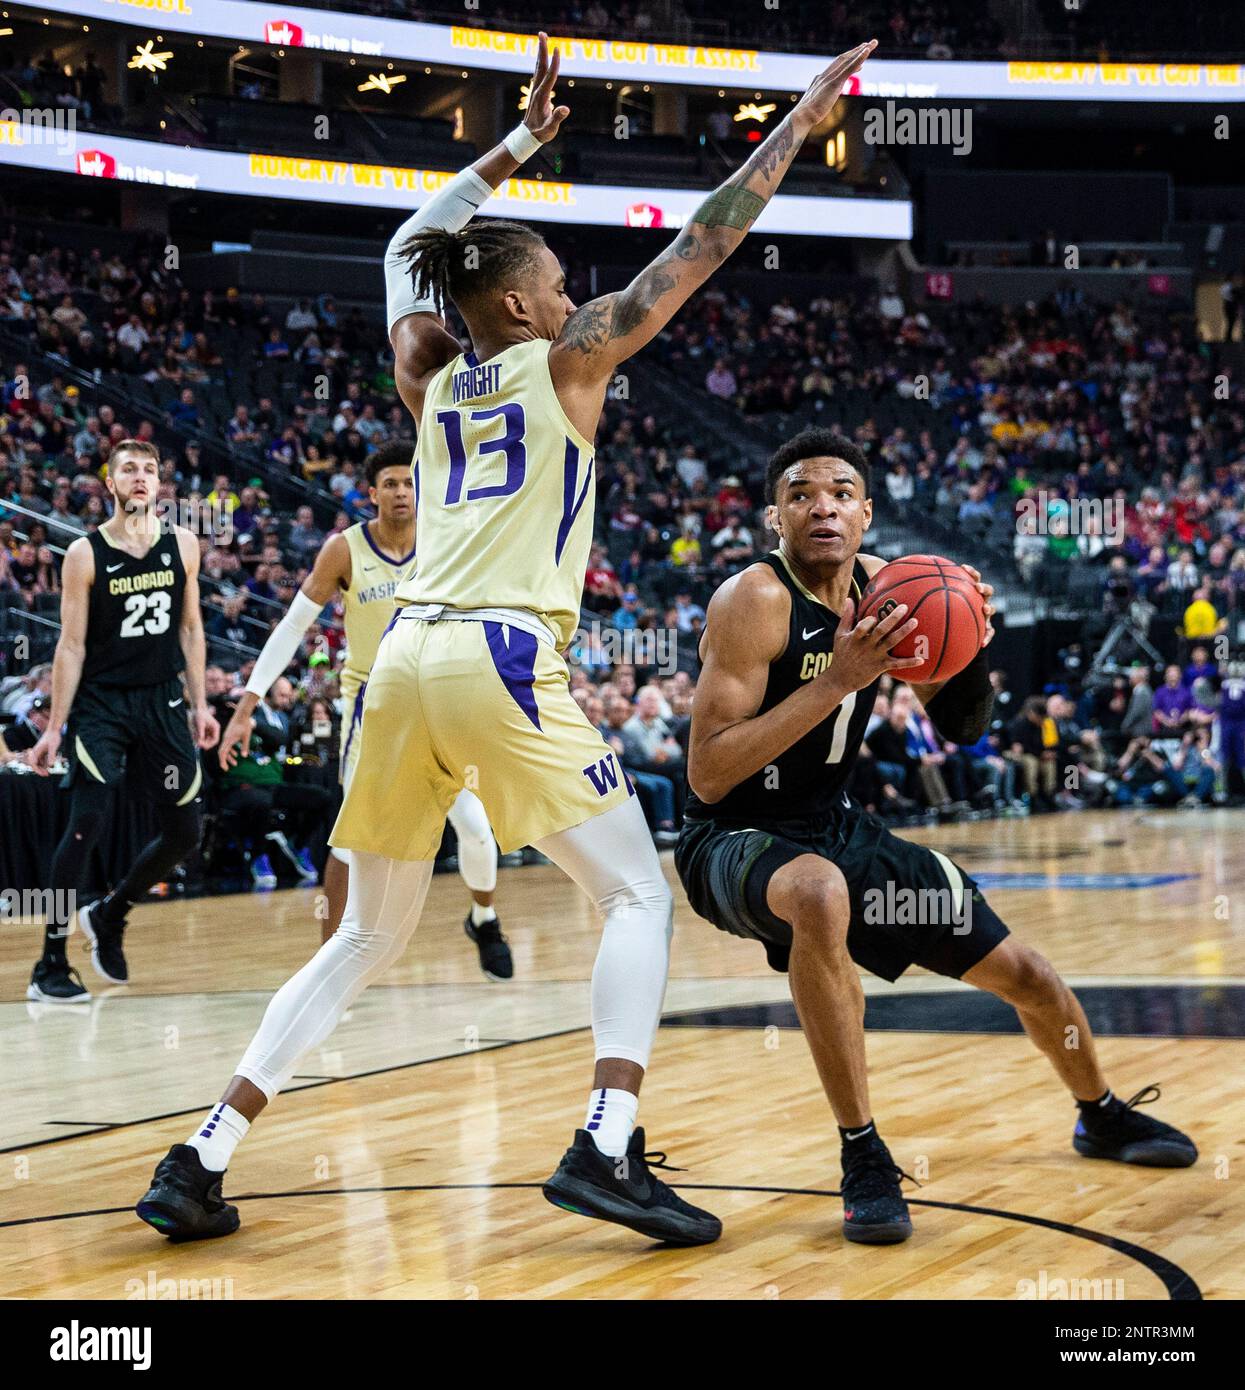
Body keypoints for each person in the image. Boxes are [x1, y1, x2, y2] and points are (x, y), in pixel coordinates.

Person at [135, 33, 883, 1248]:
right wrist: (798, 122)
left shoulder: (429, 373)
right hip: (499, 653)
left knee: (369, 932)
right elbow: (708, 242)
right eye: (556, 274)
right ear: (530, 303)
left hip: (401, 665)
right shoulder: (573, 357)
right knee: (638, 891)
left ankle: (201, 1150)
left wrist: (517, 145)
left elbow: (401, 246)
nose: (572, 286)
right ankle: (605, 1141)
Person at [675, 428, 1196, 1246]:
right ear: (774, 515)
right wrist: (840, 682)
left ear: (867, 514)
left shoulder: (894, 590)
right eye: (801, 493)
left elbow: (960, 728)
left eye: (841, 493)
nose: (822, 506)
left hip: (834, 829)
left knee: (1023, 971)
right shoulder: (755, 601)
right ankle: (863, 1156)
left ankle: (1098, 1113)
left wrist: (972, 646)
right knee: (816, 891)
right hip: (731, 839)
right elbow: (706, 774)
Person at [217, 441, 509, 965]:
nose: (402, 492)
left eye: (410, 482)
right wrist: (248, 702)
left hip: (438, 703)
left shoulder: (445, 540)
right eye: (391, 483)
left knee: (474, 825)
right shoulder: (344, 549)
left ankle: (484, 919)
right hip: (370, 707)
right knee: (350, 837)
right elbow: (292, 627)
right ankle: (325, 959)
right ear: (371, 493)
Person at [25, 440, 218, 1001]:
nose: (140, 478)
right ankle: (50, 963)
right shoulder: (85, 554)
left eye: (150, 470)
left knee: (185, 831)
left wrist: (202, 704)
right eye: (128, 470)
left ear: (160, 485)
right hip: (103, 705)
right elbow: (71, 645)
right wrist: (55, 727)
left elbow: (190, 630)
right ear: (110, 483)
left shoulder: (183, 545)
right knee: (86, 823)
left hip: (163, 701)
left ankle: (110, 913)